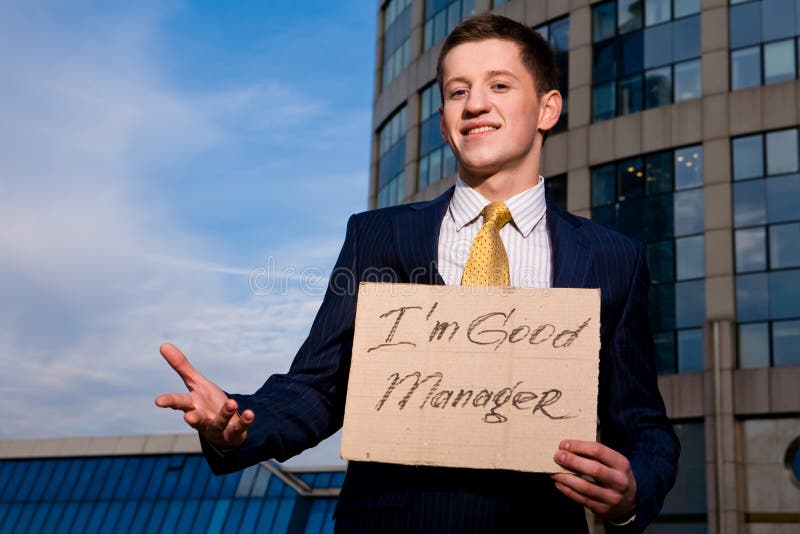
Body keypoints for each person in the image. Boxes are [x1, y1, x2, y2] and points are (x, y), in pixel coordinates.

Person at [156, 14, 679, 533]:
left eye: (499, 85)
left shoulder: (614, 258)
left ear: (548, 108)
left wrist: (632, 492)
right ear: (444, 118)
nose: (475, 104)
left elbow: (642, 424)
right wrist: (237, 426)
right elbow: (321, 387)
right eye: (457, 91)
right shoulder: (376, 237)